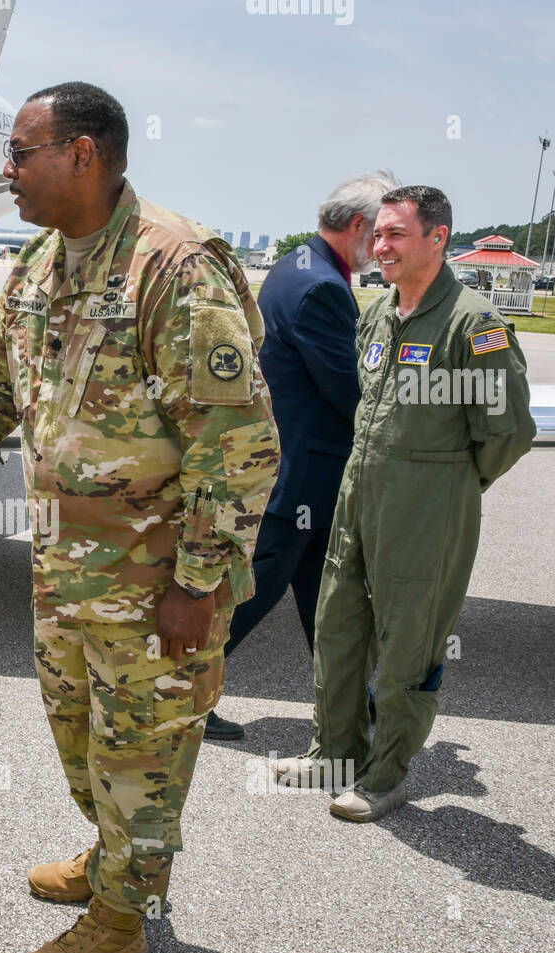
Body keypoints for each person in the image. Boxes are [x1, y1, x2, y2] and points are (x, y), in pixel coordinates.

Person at [0, 83, 278, 953]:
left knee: (145, 756)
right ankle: (112, 854)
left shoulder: (175, 267)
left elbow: (237, 446)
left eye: (19, 151)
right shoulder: (40, 264)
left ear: (82, 154)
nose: (5, 169)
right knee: (89, 745)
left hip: (157, 580)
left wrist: (197, 586)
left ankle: (122, 919)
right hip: (65, 574)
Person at [272, 186, 535, 821]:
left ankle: (386, 773)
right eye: (378, 234)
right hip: (358, 494)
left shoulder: (472, 325)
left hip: (427, 507)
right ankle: (334, 752)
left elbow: (507, 431)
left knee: (408, 643)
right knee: (337, 628)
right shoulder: (377, 314)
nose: (379, 246)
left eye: (396, 235)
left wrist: (447, 487)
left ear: (437, 239)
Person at [206, 171, 398, 742]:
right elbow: (347, 390)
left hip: (298, 469)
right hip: (299, 475)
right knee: (255, 590)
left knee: (325, 598)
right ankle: (181, 694)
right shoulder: (323, 289)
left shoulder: (297, 265)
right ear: (358, 225)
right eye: (381, 232)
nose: (384, 246)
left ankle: (351, 705)